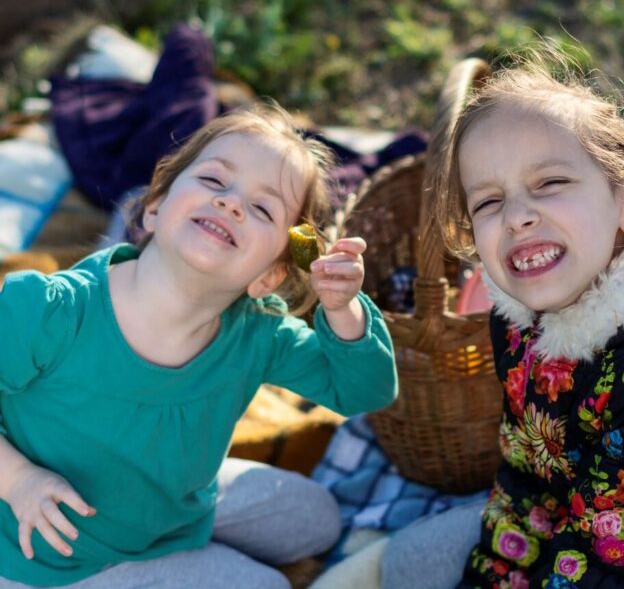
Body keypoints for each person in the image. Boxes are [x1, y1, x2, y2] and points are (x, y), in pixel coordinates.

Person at [381, 48, 624, 588]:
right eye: (489, 202)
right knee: (408, 561)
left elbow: (622, 564)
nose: (518, 215)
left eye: (550, 184)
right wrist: (496, 573)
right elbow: (527, 476)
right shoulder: (522, 321)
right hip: (587, 524)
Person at [0, 105, 398, 589]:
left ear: (270, 275)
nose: (231, 203)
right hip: (46, 558)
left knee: (315, 519)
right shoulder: (53, 311)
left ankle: (185, 541)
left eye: (263, 208)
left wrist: (341, 308)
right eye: (214, 181)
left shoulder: (256, 333)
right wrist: (17, 478)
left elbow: (364, 391)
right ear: (154, 206)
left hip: (169, 511)